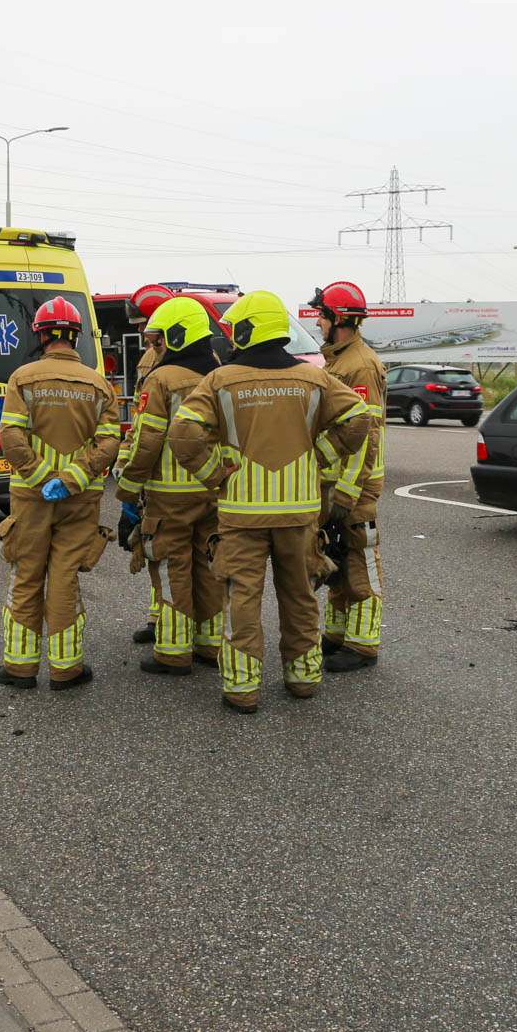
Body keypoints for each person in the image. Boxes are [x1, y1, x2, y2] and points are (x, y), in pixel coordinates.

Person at [167, 291, 368, 713]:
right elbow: (358, 419)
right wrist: (318, 459)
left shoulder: (221, 380)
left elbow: (183, 434)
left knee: (243, 597)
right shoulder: (315, 378)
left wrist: (214, 477)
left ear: (244, 330)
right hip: (298, 514)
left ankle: (243, 688)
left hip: (241, 514)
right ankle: (303, 679)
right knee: (298, 595)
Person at [0, 297, 121, 689]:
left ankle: (20, 669)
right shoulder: (100, 384)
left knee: (26, 575)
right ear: (76, 337)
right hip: (80, 499)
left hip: (31, 498)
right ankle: (66, 670)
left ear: (41, 334)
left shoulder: (23, 378)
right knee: (65, 578)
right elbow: (109, 443)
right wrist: (71, 479)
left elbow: (10, 435)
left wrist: (40, 476)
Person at [116, 297, 225, 675]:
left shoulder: (161, 379)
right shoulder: (219, 376)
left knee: (169, 568)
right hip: (212, 491)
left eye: (158, 341)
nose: (153, 349)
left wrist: (127, 490)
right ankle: (210, 646)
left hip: (169, 496)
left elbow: (146, 441)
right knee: (209, 566)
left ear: (179, 338)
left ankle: (173, 653)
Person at [310, 281, 388, 672]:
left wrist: (345, 493)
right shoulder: (339, 361)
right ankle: (337, 635)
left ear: (338, 319)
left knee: (360, 562)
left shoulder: (360, 364)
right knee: (337, 556)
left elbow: (365, 437)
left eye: (321, 315)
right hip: (337, 483)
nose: (318, 322)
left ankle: (363, 646)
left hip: (354, 487)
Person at [123, 284, 172, 645]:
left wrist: (133, 476)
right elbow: (139, 422)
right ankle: (158, 618)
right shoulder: (149, 359)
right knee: (156, 553)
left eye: (147, 330)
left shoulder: (175, 366)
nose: (141, 334)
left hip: (172, 476)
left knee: (171, 556)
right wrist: (125, 466)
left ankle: (176, 628)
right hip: (152, 474)